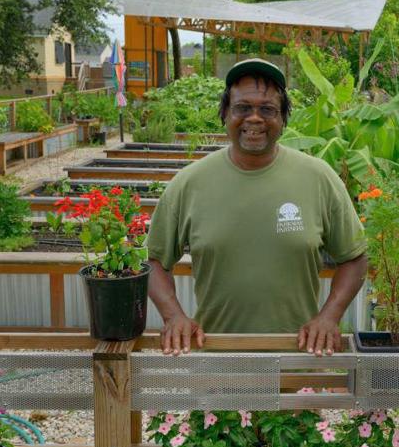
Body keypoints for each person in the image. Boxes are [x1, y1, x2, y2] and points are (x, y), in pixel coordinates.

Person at [146, 58, 367, 357]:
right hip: (216, 361)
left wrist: (329, 317)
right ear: (225, 113)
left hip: (298, 360)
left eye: (267, 109)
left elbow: (354, 258)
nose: (254, 118)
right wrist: (173, 316)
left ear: (283, 118)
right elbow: (153, 260)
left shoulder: (318, 178)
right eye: (242, 108)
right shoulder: (189, 184)